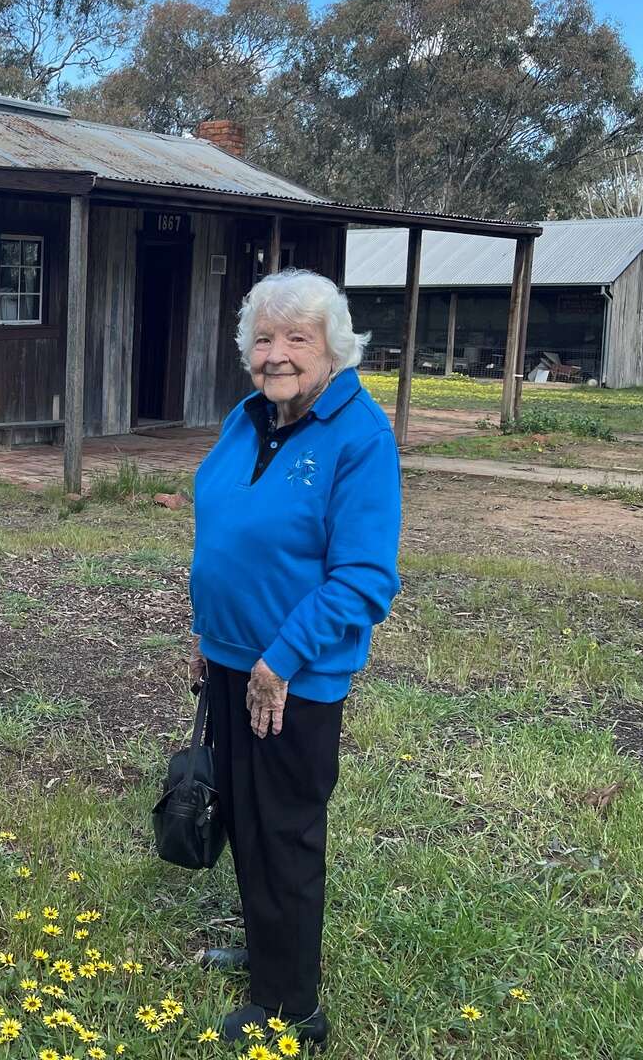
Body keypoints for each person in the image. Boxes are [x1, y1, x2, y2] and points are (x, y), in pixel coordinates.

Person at [187, 268, 403, 1047]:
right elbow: (225, 535)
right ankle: (273, 950)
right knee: (245, 819)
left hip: (293, 676)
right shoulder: (247, 418)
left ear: (332, 351)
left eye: (296, 340)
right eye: (262, 339)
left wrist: (279, 660)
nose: (275, 354)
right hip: (234, 659)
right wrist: (213, 640)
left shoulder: (358, 436)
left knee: (284, 827)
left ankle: (293, 1007)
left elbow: (366, 578)